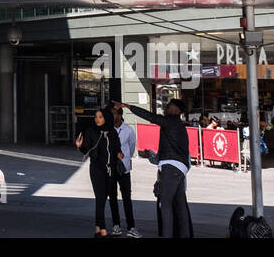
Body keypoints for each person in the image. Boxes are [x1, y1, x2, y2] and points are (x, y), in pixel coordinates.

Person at [123, 98, 192, 238]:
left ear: (176, 110)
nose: (166, 108)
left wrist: (129, 106)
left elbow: (150, 117)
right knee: (180, 206)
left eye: (169, 106)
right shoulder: (177, 125)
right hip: (178, 169)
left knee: (165, 205)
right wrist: (152, 156)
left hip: (171, 168)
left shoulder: (171, 122)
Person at [76, 108, 122, 237]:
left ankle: (98, 227)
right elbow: (85, 150)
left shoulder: (112, 132)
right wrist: (79, 146)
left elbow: (117, 147)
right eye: (96, 117)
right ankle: (101, 229)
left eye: (100, 117)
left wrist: (119, 154)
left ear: (106, 118)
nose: (97, 119)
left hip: (110, 169)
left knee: (105, 198)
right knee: (100, 198)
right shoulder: (91, 131)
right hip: (96, 169)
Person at [111, 105, 141, 237]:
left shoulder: (128, 130)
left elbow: (132, 146)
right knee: (112, 197)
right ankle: (116, 225)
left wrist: (126, 159)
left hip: (124, 168)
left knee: (126, 197)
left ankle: (131, 226)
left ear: (120, 115)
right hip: (110, 168)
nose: (112, 116)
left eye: (114, 114)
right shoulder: (107, 130)